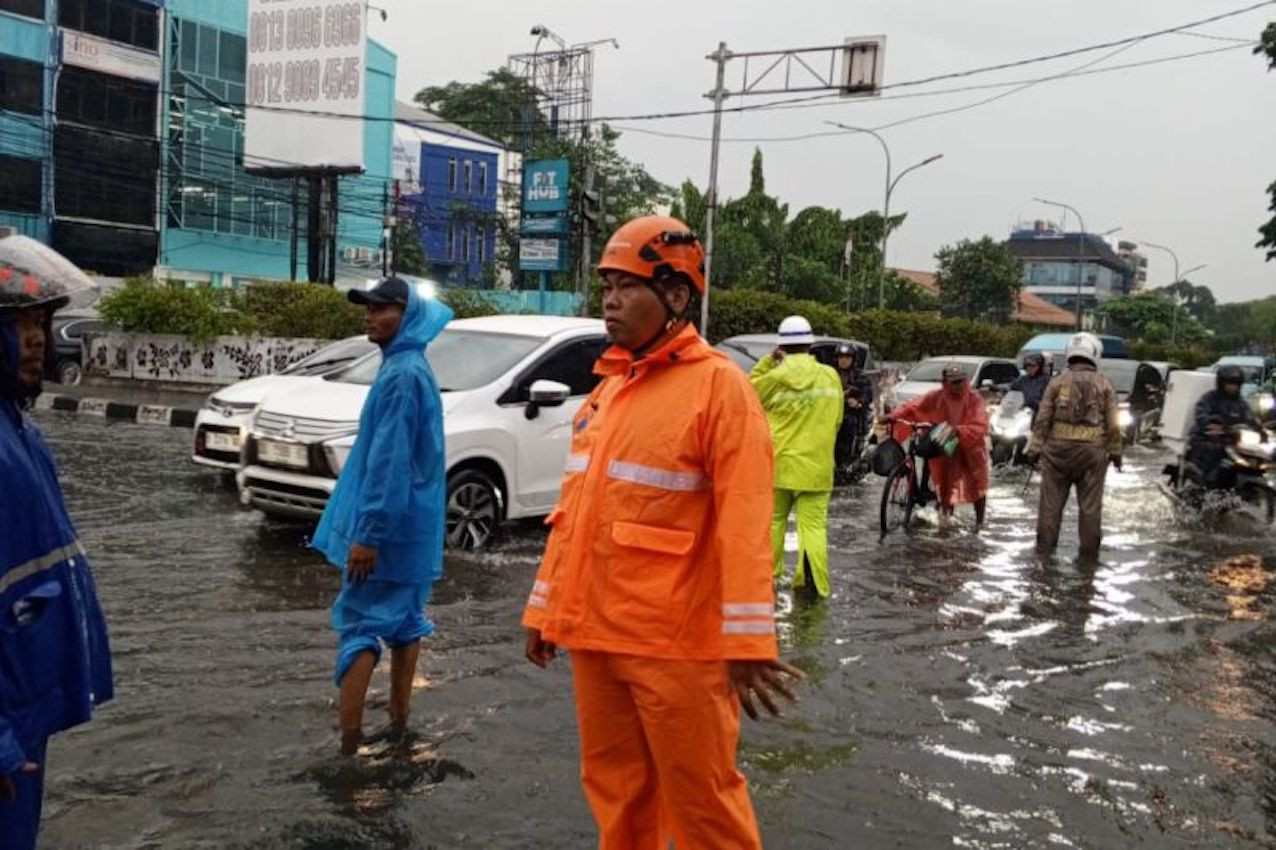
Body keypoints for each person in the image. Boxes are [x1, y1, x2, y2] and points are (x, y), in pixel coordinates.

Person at [521, 216, 803, 850]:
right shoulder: (610, 389)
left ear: (677, 296)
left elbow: (745, 521)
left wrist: (749, 640)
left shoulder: (719, 389)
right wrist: (545, 609)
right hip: (596, 633)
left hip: (678, 645)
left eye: (628, 286)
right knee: (618, 796)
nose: (611, 302)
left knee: (703, 805)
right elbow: (575, 513)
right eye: (607, 288)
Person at [0, 236, 112, 849]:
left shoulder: (23, 432)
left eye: (39, 319)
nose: (37, 337)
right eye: (17, 323)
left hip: (24, 706)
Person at [311, 276, 453, 756]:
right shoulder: (411, 366)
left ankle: (348, 744)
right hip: (414, 525)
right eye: (368, 308)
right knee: (407, 619)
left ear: (406, 315)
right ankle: (399, 720)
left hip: (387, 528)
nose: (370, 316)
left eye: (381, 308)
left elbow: (388, 462)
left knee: (360, 625)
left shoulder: (400, 376)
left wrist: (368, 534)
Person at [750, 316, 844, 597]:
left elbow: (745, 392)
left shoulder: (774, 378)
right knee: (813, 526)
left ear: (781, 346)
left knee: (774, 521)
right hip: (816, 466)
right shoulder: (830, 375)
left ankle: (768, 577)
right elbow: (837, 419)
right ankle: (813, 582)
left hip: (779, 463)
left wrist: (767, 363)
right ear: (810, 344)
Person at [1025, 332, 1122, 559]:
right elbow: (1114, 425)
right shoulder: (1105, 384)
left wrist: (1034, 450)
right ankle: (1088, 563)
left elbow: (1042, 420)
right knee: (1090, 510)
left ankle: (1044, 559)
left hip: (1056, 454)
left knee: (1050, 509)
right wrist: (1116, 453)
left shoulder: (1056, 382)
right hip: (1092, 454)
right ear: (1095, 354)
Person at [890, 365, 991, 526]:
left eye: (960, 382)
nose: (958, 386)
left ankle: (979, 523)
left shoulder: (974, 399)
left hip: (970, 447)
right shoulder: (936, 397)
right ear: (946, 382)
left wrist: (958, 430)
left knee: (976, 485)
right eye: (954, 383)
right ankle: (944, 522)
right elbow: (913, 406)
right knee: (945, 482)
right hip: (946, 441)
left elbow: (980, 423)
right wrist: (893, 415)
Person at [1188, 364, 1263, 489]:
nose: (1233, 387)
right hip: (1206, 437)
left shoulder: (1241, 403)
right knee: (1216, 450)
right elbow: (1201, 414)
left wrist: (1260, 429)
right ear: (1221, 383)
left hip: (1232, 440)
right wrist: (1210, 421)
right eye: (1230, 383)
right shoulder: (1210, 398)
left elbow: (1251, 418)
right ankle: (1207, 486)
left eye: (1236, 384)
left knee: (1257, 454)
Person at [832, 341, 875, 476]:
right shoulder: (831, 375)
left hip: (853, 416)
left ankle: (846, 461)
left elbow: (868, 395)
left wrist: (857, 402)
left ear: (852, 359)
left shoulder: (860, 377)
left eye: (847, 358)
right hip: (832, 415)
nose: (843, 361)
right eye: (841, 358)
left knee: (848, 424)